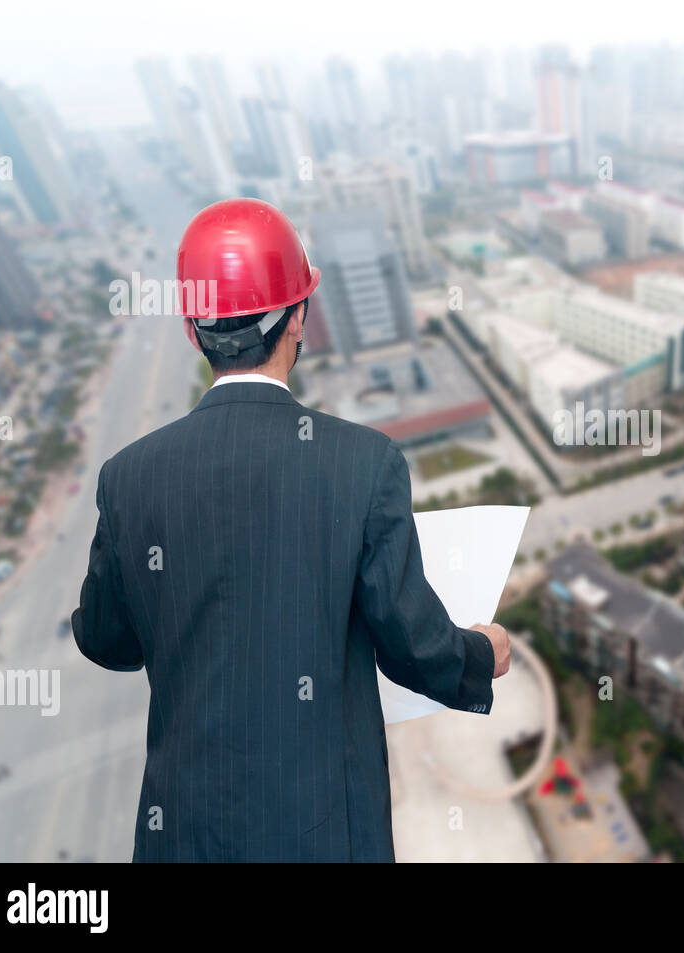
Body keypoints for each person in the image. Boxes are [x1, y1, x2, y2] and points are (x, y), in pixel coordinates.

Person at [72, 198, 510, 861]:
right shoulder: (362, 463)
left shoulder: (127, 478)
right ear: (298, 315)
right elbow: (411, 645)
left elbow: (106, 639)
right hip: (325, 837)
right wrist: (482, 652)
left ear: (194, 331)